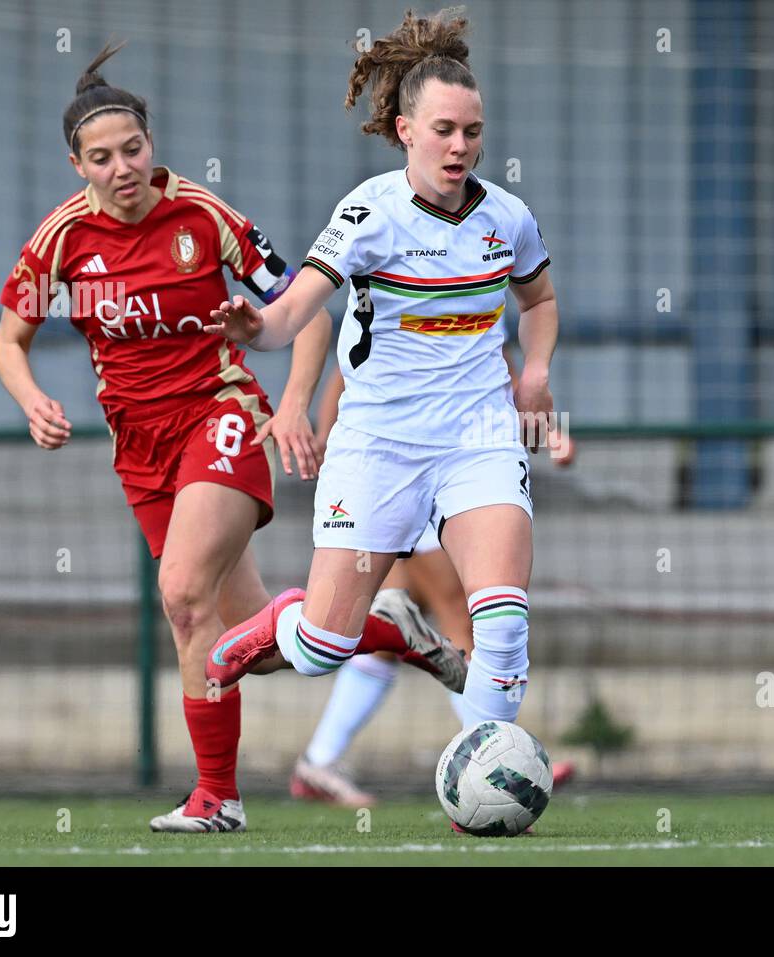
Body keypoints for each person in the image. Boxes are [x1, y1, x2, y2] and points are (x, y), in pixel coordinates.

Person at [0, 41, 464, 833]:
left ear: (151, 143)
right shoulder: (61, 240)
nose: (123, 168)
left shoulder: (204, 216)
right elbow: (10, 339)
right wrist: (33, 398)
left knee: (180, 595)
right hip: (140, 452)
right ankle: (391, 628)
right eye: (102, 158)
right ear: (77, 165)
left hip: (221, 417)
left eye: (134, 148)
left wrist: (288, 406)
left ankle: (217, 796)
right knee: (260, 641)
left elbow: (307, 305)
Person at [206, 9, 560, 771]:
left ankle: (486, 790)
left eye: (472, 130)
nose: (460, 146)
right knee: (322, 648)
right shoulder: (368, 213)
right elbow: (298, 309)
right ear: (405, 130)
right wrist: (255, 326)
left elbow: (540, 302)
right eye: (443, 130)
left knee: (499, 624)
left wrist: (534, 374)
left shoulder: (509, 219)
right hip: (379, 442)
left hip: (478, 439)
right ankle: (320, 623)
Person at [287, 361, 577, 806]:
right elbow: (349, 368)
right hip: (404, 468)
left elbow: (495, 367)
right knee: (461, 618)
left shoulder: (481, 300)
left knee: (387, 633)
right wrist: (330, 442)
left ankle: (318, 761)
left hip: (442, 470)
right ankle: (497, 760)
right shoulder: (403, 297)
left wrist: (548, 428)